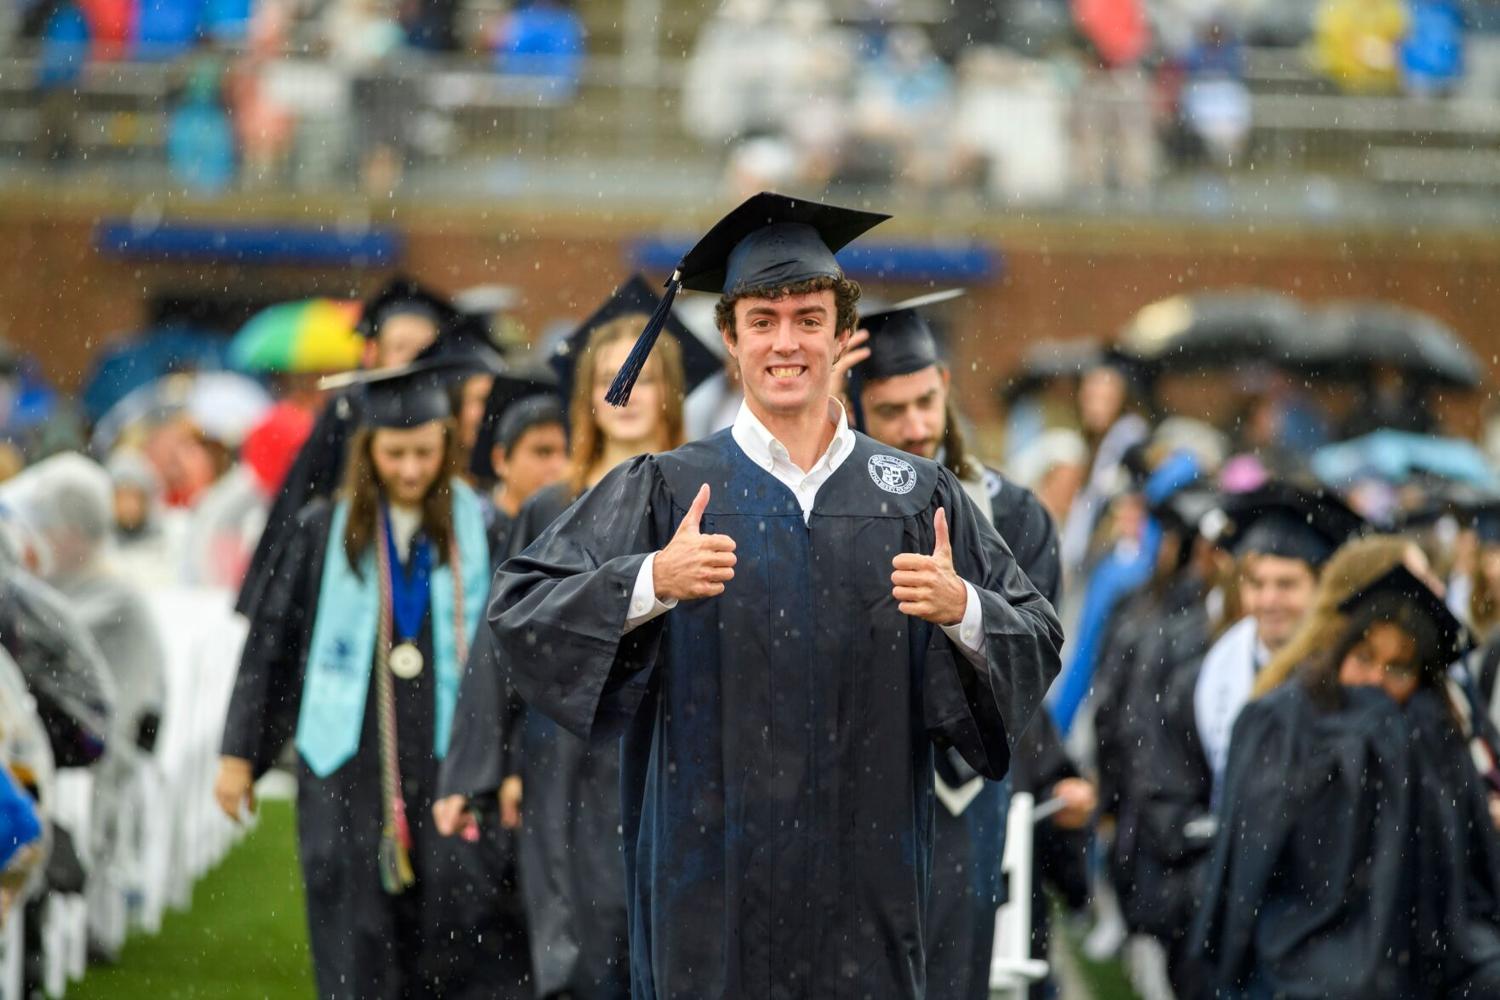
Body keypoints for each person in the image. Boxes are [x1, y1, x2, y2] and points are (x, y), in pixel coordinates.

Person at [489, 192, 1063, 996]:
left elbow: (1037, 631)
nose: (785, 342)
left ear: (842, 335)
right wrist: (650, 581)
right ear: (730, 340)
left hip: (868, 897)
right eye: (762, 321)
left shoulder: (914, 496)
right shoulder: (668, 489)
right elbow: (522, 609)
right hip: (710, 898)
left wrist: (963, 607)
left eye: (807, 319)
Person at [438, 280, 712, 999]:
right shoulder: (552, 508)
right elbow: (503, 641)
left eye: (645, 377)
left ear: (672, 392)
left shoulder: (709, 500)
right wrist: (477, 767)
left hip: (676, 740)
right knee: (580, 945)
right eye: (610, 378)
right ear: (587, 395)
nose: (628, 392)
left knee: (669, 937)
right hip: (566, 752)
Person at [215, 358, 522, 999]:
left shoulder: (485, 528)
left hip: (451, 760)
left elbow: (514, 653)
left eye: (424, 453)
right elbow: (272, 645)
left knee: (457, 928)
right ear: (367, 450)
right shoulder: (320, 530)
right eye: (394, 454)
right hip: (349, 767)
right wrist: (240, 754)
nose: (410, 470)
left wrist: (511, 759)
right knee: (354, 933)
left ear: (447, 445)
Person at [836, 292, 1073, 1000]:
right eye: (890, 410)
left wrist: (964, 607)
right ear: (855, 410)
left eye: (925, 402)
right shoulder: (827, 509)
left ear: (945, 384)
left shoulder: (1014, 514)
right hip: (854, 794)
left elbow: (1030, 659)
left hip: (968, 795)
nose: (915, 427)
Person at [1194, 564, 1500, 997]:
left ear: (1422, 678)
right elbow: (1248, 877)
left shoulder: (1433, 743)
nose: (1375, 679)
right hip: (1289, 966)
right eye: (1364, 657)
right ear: (1340, 651)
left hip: (1407, 970)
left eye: (1398, 668)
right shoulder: (1283, 725)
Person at [236, 276, 464, 620]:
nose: (413, 358)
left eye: (425, 347)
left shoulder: (453, 411)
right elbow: (302, 495)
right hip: (349, 566)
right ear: (376, 351)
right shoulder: (348, 410)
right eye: (401, 346)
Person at [1193, 482, 1366, 796]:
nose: (1268, 600)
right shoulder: (1212, 666)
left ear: (1320, 587)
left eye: (1286, 585)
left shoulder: (1348, 675)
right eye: (1256, 584)